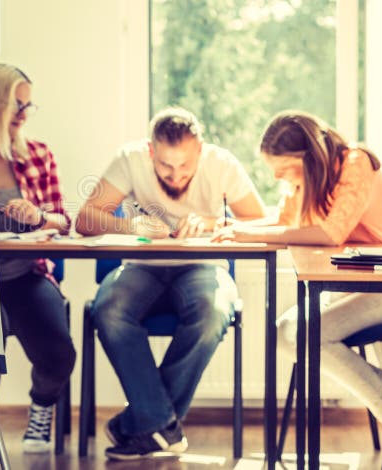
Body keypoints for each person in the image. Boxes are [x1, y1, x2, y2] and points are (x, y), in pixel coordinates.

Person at [221, 110, 382, 466]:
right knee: (285, 331)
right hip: (355, 287)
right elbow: (282, 223)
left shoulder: (356, 163)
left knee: (307, 334)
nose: (278, 178)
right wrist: (224, 225)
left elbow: (331, 233)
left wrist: (246, 232)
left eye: (283, 170)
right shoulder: (306, 184)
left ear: (308, 159)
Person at [75, 107, 266, 461]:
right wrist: (132, 226)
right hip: (141, 266)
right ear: (151, 151)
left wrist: (211, 222)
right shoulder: (130, 159)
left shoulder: (222, 164)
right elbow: (85, 220)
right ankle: (163, 426)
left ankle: (138, 424)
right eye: (165, 165)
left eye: (185, 166)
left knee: (214, 312)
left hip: (202, 266)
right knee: (109, 309)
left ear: (201, 150)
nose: (176, 175)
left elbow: (260, 221)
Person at [0, 63, 76, 469]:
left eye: (29, 105)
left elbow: (63, 221)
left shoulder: (37, 154)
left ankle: (41, 410)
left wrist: (39, 217)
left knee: (59, 354)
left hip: (25, 274)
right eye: (16, 104)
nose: (23, 113)